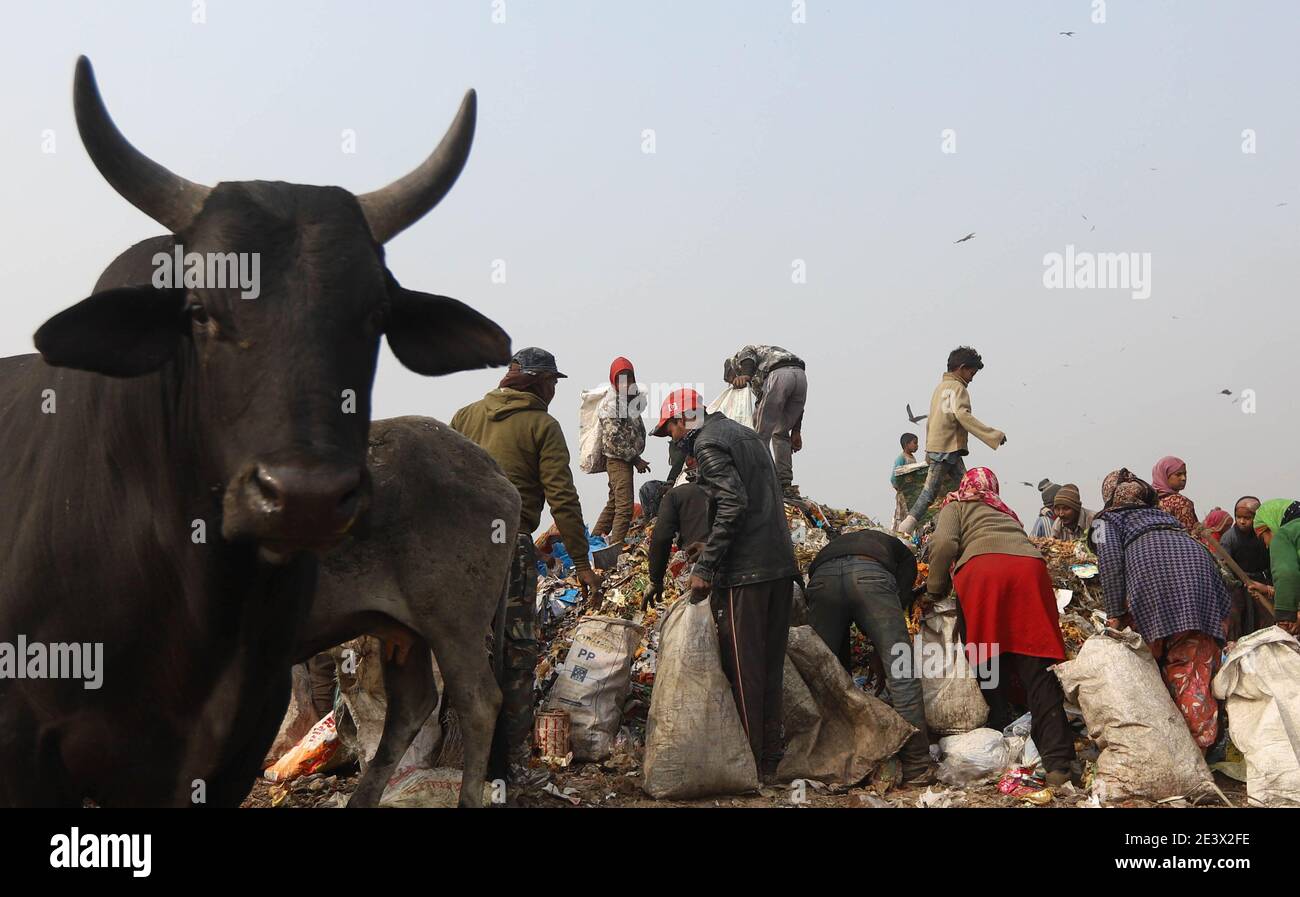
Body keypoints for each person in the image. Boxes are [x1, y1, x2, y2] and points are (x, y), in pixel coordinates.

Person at [450, 346, 602, 789]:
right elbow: (562, 496)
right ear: (537, 382)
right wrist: (582, 563)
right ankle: (508, 769)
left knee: (468, 651)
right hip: (509, 549)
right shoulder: (542, 424)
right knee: (516, 655)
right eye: (553, 381)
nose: (555, 389)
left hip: (460, 551)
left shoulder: (464, 416)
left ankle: (465, 762)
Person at [654, 387, 798, 782]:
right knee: (768, 667)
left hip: (746, 576)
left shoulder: (708, 443)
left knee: (745, 669)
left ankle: (746, 765)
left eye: (670, 431)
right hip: (779, 566)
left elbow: (733, 502)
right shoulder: (746, 434)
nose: (673, 440)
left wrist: (707, 566)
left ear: (683, 420)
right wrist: (711, 540)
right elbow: (750, 500)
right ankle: (770, 760)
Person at [924, 467, 1076, 787]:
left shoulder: (957, 504)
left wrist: (934, 589)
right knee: (1037, 664)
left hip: (984, 574)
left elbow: (943, 543)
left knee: (983, 653)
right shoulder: (1003, 510)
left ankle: (996, 725)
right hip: (1030, 573)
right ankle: (1059, 762)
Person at [1092, 469, 1230, 750]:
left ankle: (1167, 748)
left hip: (1153, 583)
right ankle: (1201, 749)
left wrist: (1115, 614)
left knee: (1147, 670)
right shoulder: (1165, 516)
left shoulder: (1103, 520)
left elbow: (1109, 565)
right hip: (1200, 582)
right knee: (1192, 672)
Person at [805, 528, 933, 782]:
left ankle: (830, 763)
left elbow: (837, 661)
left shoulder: (834, 547)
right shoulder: (902, 554)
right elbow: (899, 601)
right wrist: (881, 647)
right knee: (901, 672)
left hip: (822, 580)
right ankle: (917, 766)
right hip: (870, 577)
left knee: (822, 676)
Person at [898, 346, 1006, 535]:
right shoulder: (958, 388)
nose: (972, 378)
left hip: (943, 449)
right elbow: (963, 416)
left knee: (968, 489)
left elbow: (931, 420)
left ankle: (979, 525)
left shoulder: (939, 388)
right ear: (962, 368)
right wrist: (993, 435)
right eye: (971, 373)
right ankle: (904, 528)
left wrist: (928, 450)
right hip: (946, 449)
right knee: (929, 493)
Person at [724, 345, 807, 498]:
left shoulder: (742, 356)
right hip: (800, 377)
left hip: (778, 374)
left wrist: (745, 376)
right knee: (781, 433)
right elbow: (769, 406)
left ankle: (764, 480)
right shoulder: (762, 372)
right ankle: (784, 482)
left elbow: (748, 357)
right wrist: (796, 431)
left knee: (760, 435)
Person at [591, 356, 650, 547]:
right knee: (624, 507)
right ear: (614, 381)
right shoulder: (611, 405)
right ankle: (614, 549)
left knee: (614, 503)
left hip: (623, 459)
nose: (626, 383)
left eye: (629, 378)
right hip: (618, 460)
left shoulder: (625, 402)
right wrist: (635, 458)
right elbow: (613, 439)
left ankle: (593, 541)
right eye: (621, 379)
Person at [644, 459, 710, 606]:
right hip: (739, 571)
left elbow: (661, 538)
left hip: (698, 574)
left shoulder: (676, 495)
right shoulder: (733, 491)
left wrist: (655, 580)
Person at [1222, 496, 1274, 634]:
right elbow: (1223, 568)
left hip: (1263, 585)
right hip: (1239, 587)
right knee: (1238, 621)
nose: (1242, 521)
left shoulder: (1264, 535)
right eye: (1238, 517)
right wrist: (1236, 583)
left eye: (1247, 518)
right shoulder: (1229, 538)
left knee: (1266, 623)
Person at [1252, 499, 1300, 635]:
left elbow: (1286, 574)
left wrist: (1285, 618)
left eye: (1263, 538)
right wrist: (1267, 589)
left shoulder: (1284, 535)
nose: (1267, 545)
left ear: (1270, 526)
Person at [638, 439, 687, 521]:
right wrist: (670, 482)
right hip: (676, 481)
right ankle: (652, 521)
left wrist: (670, 483)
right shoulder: (681, 446)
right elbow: (677, 465)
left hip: (688, 483)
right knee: (648, 488)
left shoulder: (693, 439)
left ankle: (658, 521)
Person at [1152, 455, 1198, 531]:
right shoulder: (1179, 501)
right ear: (1165, 475)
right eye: (1178, 474)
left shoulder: (1148, 500)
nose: (1184, 478)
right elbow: (1190, 535)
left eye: (1185, 474)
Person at [890, 433, 920, 530]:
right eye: (915, 443)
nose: (917, 445)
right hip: (904, 493)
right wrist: (899, 489)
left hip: (912, 493)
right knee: (902, 515)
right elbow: (894, 477)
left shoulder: (912, 458)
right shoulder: (901, 458)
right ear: (907, 444)